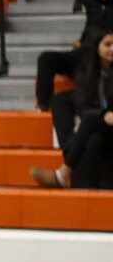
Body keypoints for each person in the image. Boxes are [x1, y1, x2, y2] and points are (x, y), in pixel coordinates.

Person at [35, 0, 113, 131]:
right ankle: (44, 105)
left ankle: (86, 116)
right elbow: (92, 22)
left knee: (86, 72)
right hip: (85, 49)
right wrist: (83, 39)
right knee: (46, 58)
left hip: (104, 56)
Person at [30, 31, 113, 191]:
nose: (112, 49)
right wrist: (98, 119)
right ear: (97, 47)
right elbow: (82, 105)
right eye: (108, 44)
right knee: (94, 138)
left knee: (89, 122)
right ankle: (85, 193)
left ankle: (62, 174)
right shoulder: (86, 73)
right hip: (102, 126)